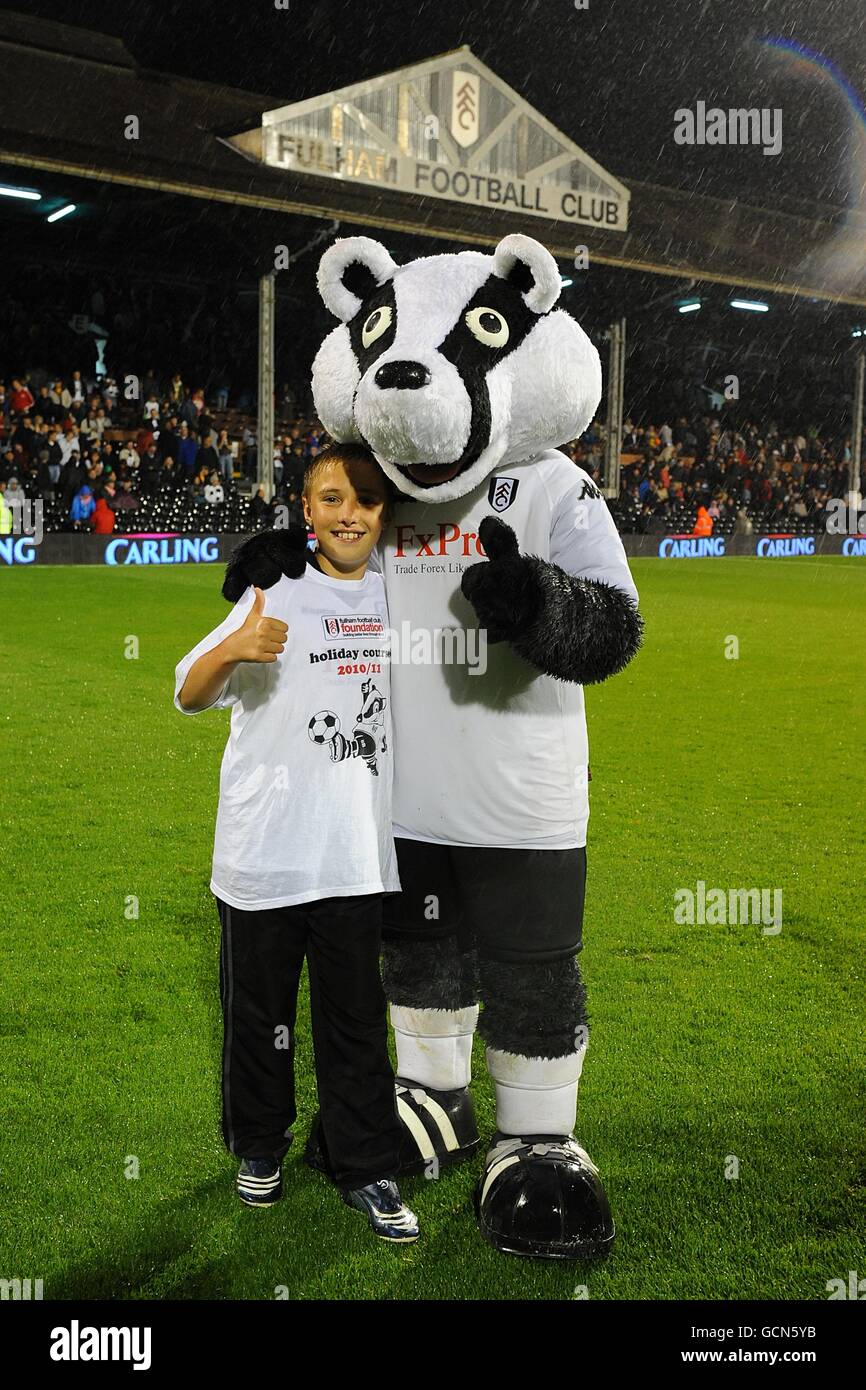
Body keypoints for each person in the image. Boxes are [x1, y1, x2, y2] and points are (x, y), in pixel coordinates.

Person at [173, 441, 417, 1242]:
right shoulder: (273, 586)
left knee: (355, 1020)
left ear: (386, 514)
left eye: (368, 501)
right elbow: (185, 689)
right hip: (263, 854)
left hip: (351, 855)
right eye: (333, 499)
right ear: (306, 511)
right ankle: (260, 1146)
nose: (351, 514)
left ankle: (368, 1167)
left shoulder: (396, 600)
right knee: (258, 1015)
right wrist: (232, 649)